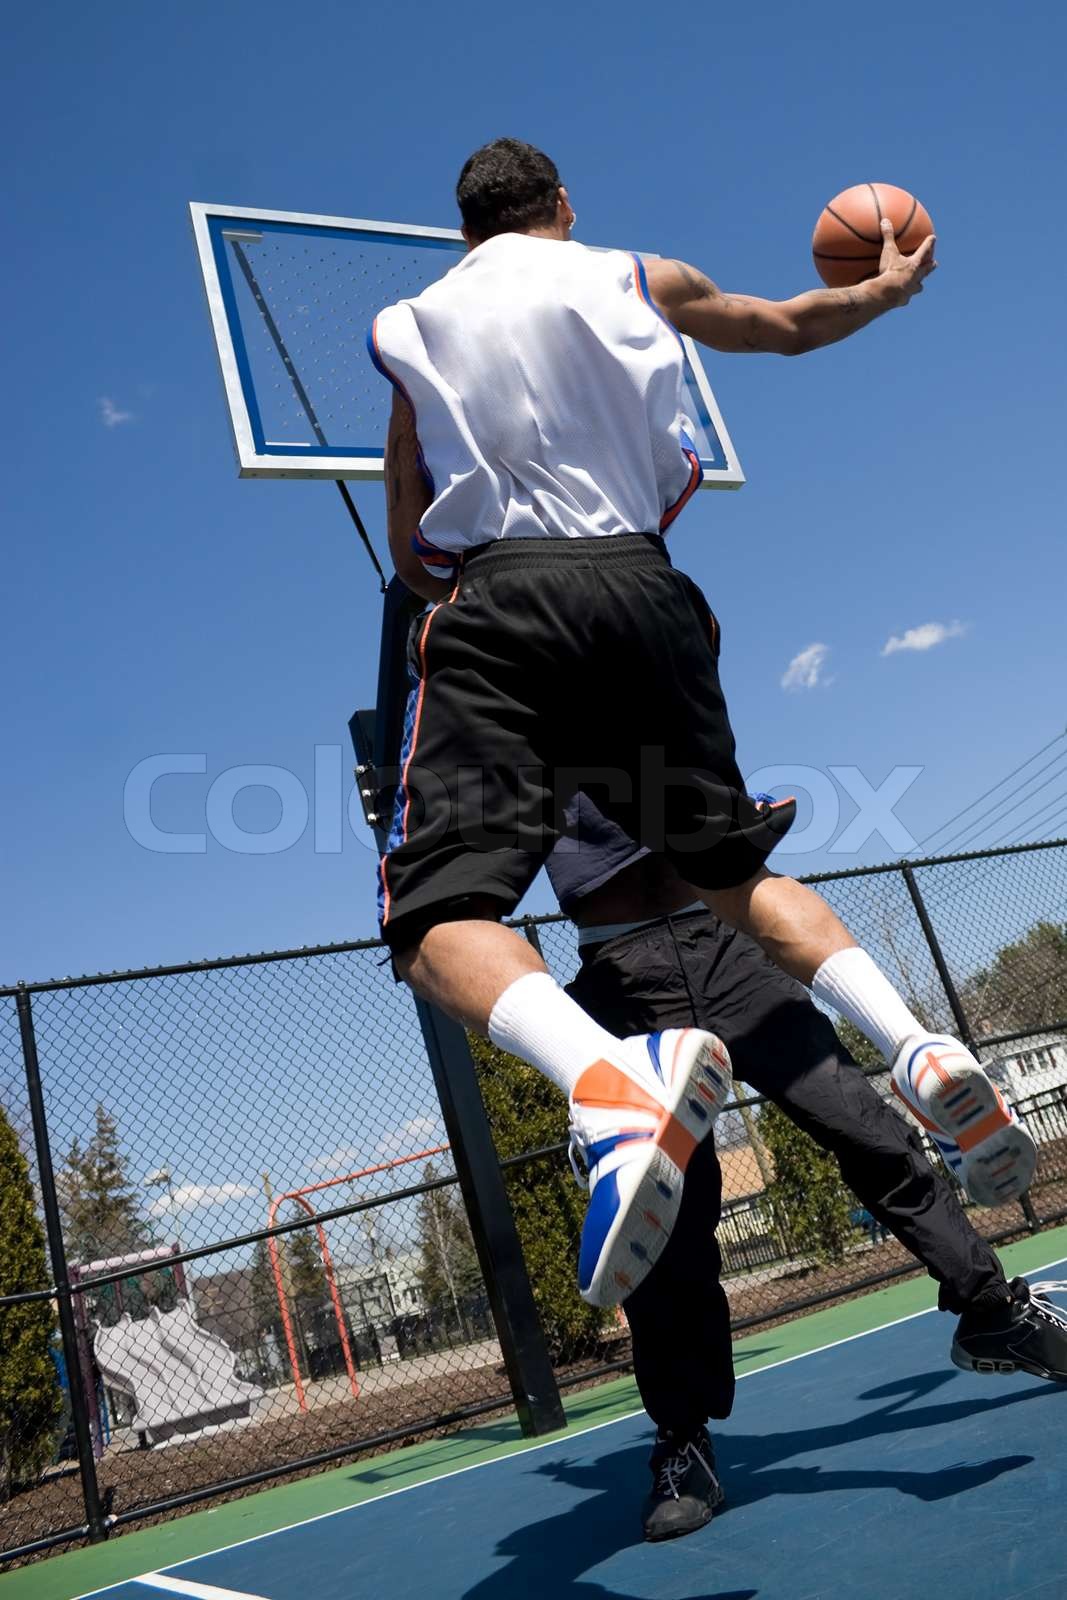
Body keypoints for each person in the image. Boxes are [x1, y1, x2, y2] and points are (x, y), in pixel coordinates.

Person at [368, 135, 1034, 1309]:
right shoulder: (643, 275)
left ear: (465, 230)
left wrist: (452, 589)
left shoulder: (410, 323)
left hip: (505, 592)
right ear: (562, 205)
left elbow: (411, 526)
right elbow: (783, 324)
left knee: (436, 919)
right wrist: (883, 286)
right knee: (728, 869)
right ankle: (915, 1040)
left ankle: (605, 1087)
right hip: (645, 585)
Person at [547, 793, 1067, 1541]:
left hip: (725, 946)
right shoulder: (512, 732)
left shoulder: (652, 699)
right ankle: (682, 1437)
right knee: (666, 1217)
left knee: (868, 1128)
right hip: (620, 977)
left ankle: (990, 1311)